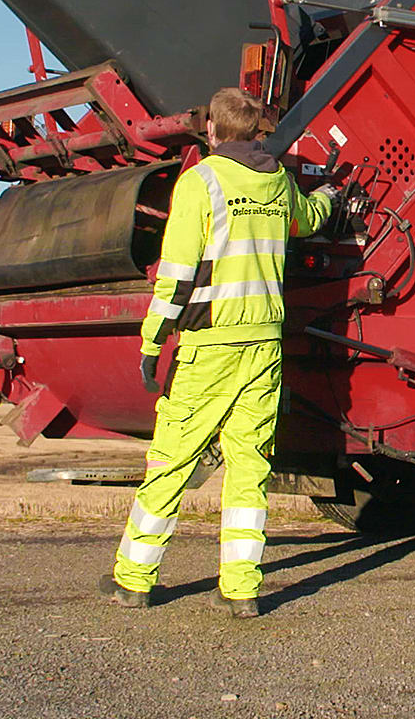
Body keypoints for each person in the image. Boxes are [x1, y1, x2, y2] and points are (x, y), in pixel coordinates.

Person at [100, 87, 334, 617]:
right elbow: (306, 220)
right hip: (264, 345)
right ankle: (243, 590)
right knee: (250, 467)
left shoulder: (200, 182)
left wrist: (152, 341)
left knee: (171, 461)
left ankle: (135, 579)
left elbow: (177, 275)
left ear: (212, 131)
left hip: (211, 345)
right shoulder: (277, 181)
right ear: (255, 132)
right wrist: (331, 199)